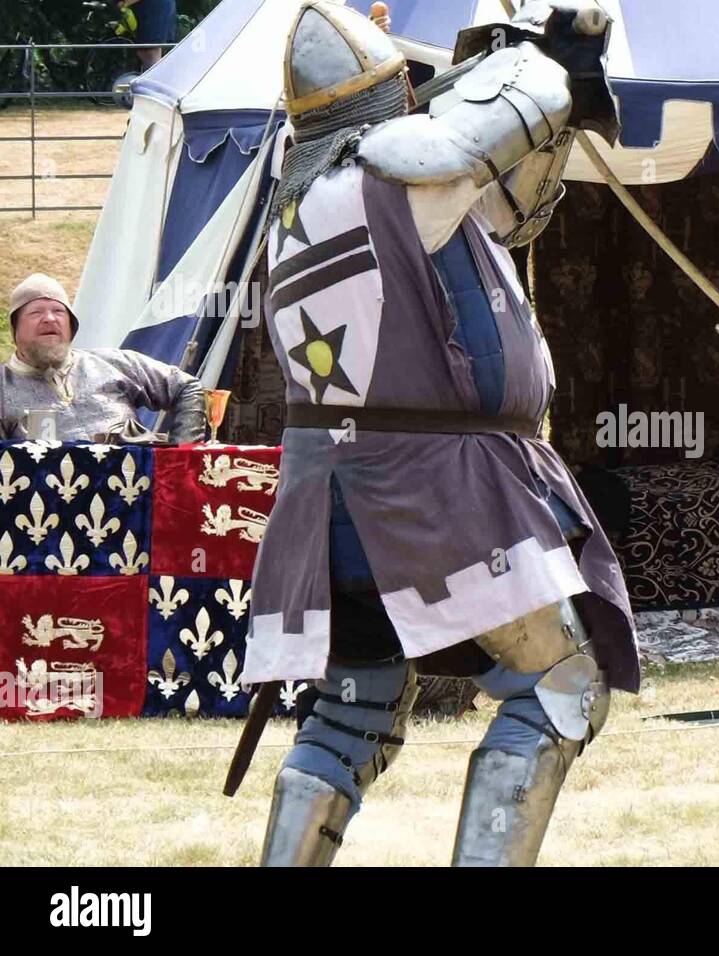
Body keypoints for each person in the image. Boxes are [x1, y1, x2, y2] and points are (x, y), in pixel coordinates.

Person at [239, 1, 637, 866]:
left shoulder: (298, 212)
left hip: (335, 501)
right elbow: (450, 144)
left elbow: (477, 201)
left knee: (352, 712)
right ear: (390, 106)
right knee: (560, 685)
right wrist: (541, 55)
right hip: (432, 493)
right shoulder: (394, 179)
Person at [1, 273, 206, 442]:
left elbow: (186, 387)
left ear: (71, 326)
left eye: (58, 311)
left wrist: (183, 459)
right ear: (15, 328)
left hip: (134, 486)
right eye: (36, 312)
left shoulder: (113, 363)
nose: (50, 318)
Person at [117, 0, 175, 71]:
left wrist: (123, 3)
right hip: (144, 11)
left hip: (153, 9)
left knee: (150, 53)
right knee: (144, 52)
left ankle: (153, 78)